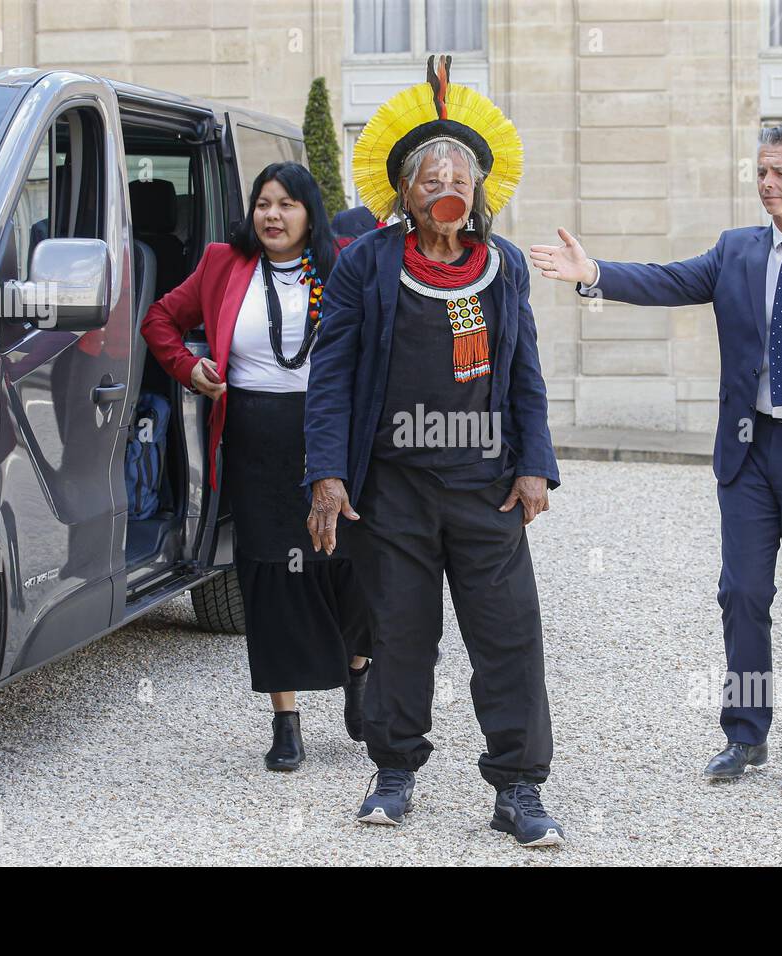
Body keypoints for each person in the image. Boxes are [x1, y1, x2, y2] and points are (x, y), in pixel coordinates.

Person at [530, 124, 782, 795]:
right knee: (741, 594)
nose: (766, 184)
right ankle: (745, 735)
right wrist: (592, 275)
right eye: (760, 172)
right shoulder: (737, 251)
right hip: (751, 450)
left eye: (779, 173)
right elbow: (668, 281)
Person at [304, 56, 565, 847]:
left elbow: (525, 370)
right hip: (394, 488)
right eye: (430, 177)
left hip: (484, 484)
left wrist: (532, 464)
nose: (446, 185)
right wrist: (327, 475)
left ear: (481, 189)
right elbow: (332, 376)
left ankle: (518, 788)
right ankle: (394, 770)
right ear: (406, 195)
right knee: (399, 633)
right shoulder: (366, 265)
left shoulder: (505, 266)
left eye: (459, 174)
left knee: (509, 635)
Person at [141, 161, 372, 772]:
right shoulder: (223, 263)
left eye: (286, 204)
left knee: (350, 563)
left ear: (309, 212)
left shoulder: (346, 261)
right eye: (262, 203)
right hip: (254, 438)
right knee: (270, 575)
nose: (271, 215)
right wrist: (188, 369)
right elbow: (159, 320)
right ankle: (286, 719)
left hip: (335, 436)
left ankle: (359, 675)